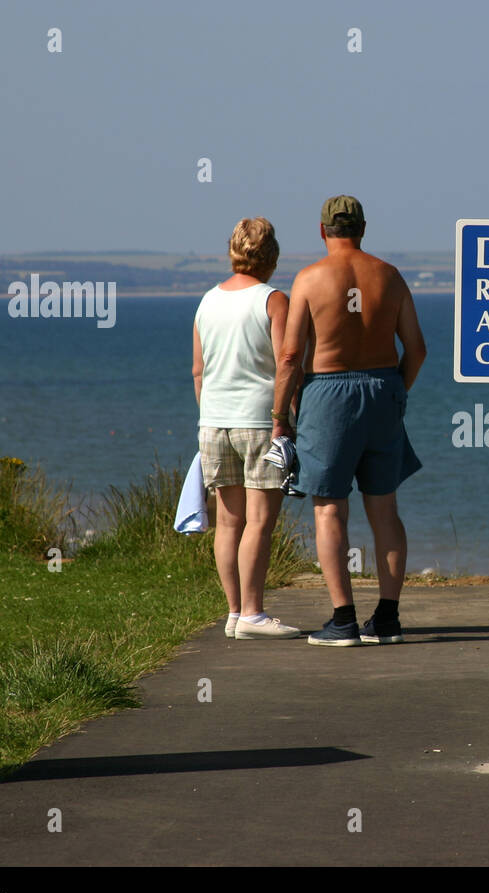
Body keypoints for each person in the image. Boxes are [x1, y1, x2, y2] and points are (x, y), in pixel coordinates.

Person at [274, 196, 427, 647]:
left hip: (328, 393)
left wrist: (280, 417)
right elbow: (416, 350)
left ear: (322, 231)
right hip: (383, 389)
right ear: (363, 228)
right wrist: (396, 391)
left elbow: (288, 357)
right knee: (385, 509)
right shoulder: (390, 276)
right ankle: (388, 617)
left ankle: (343, 619)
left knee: (329, 507)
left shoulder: (309, 279)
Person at [192, 217, 301, 639]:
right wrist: (287, 418)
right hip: (260, 421)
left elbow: (199, 370)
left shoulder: (207, 301)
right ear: (271, 257)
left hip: (214, 422)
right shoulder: (273, 301)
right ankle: (254, 613)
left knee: (229, 522)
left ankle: (235, 612)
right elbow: (286, 362)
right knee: (260, 521)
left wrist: (211, 413)